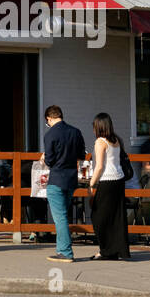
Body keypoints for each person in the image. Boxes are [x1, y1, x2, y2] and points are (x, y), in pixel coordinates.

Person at [42, 104, 86, 263]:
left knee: (59, 217)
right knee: (63, 216)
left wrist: (44, 157)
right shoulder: (75, 132)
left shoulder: (50, 134)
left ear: (49, 118)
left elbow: (49, 160)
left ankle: (65, 252)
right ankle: (62, 249)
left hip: (56, 179)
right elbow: (82, 154)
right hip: (71, 179)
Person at [89, 112, 131, 261]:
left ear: (99, 126)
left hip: (106, 181)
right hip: (119, 180)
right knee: (116, 217)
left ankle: (106, 250)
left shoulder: (100, 142)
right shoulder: (116, 140)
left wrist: (91, 183)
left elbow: (99, 166)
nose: (93, 129)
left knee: (98, 216)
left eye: (94, 126)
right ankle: (118, 250)